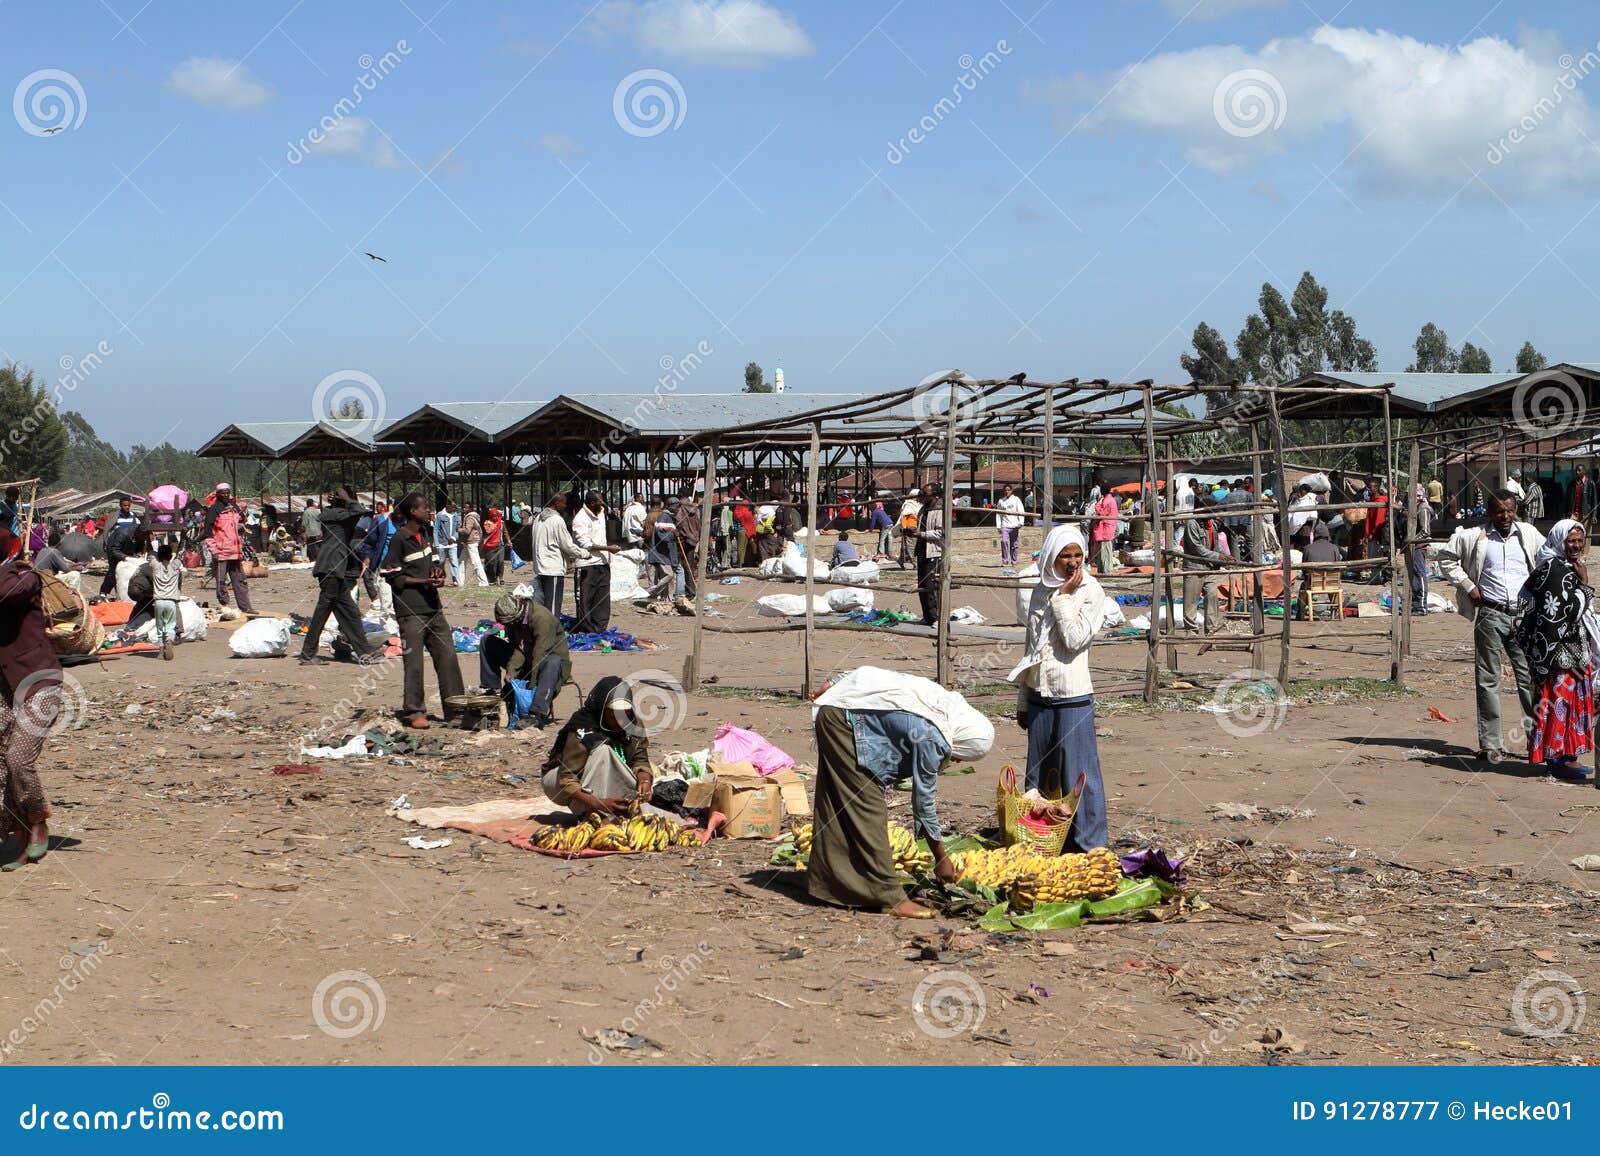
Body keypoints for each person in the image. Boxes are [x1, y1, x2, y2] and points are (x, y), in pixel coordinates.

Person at [807, 668, 992, 919]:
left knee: (838, 802)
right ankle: (890, 897)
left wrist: (832, 682)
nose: (957, 761)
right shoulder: (933, 736)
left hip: (838, 711)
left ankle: (831, 884)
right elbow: (923, 801)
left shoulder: (942, 702)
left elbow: (872, 673)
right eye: (960, 755)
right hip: (843, 721)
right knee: (868, 806)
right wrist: (940, 858)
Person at [1009, 525, 1109, 853]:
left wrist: (1065, 599)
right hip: (1039, 695)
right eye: (1064, 556)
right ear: (1051, 557)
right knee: (1040, 776)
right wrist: (1024, 698)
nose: (1072, 562)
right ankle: (1044, 841)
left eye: (1078, 555)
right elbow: (1032, 645)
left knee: (1079, 775)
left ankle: (1090, 845)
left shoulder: (1091, 592)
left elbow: (1076, 639)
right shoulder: (1039, 589)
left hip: (1072, 696)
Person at [1438, 490, 1543, 765]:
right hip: (1490, 614)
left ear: (1515, 510)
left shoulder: (1529, 534)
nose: (1505, 516)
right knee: (1488, 679)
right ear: (1490, 513)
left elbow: (1547, 559)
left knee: (1529, 680)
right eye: (1499, 511)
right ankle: (1491, 745)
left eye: (1509, 510)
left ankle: (1538, 742)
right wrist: (1470, 587)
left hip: (1524, 617)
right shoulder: (1474, 537)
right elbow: (1446, 557)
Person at [1516, 519, 1595, 780]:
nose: (1575, 546)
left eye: (1579, 541)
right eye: (1570, 540)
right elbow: (1566, 612)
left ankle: (1568, 756)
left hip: (1571, 651)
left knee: (1571, 704)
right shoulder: (1553, 569)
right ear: (1559, 540)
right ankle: (1557, 758)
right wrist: (1585, 585)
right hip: (1559, 655)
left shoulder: (1564, 566)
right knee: (1558, 702)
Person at [381, 492, 464, 729]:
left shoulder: (427, 535)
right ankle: (414, 711)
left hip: (433, 608)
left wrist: (438, 573)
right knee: (414, 662)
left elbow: (435, 562)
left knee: (448, 656)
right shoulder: (399, 538)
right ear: (413, 512)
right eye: (425, 507)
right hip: (411, 610)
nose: (429, 511)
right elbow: (391, 575)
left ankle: (455, 708)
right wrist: (423, 582)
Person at [0, 556, 62, 870]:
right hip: (5, 688)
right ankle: (17, 835)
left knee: (18, 759)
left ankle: (37, 820)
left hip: (40, 682)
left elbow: (8, 594)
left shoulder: (23, 576)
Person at [541, 676, 652, 817]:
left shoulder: (633, 724)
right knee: (603, 751)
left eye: (625, 716)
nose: (620, 723)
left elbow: (640, 758)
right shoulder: (582, 730)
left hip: (605, 779)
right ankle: (594, 813)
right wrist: (598, 803)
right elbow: (567, 780)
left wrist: (645, 779)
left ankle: (614, 809)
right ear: (602, 711)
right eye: (613, 717)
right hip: (560, 783)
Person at [300, 486, 382, 667]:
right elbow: (359, 511)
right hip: (331, 568)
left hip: (331, 568)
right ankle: (307, 654)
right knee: (323, 612)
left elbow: (359, 512)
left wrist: (344, 498)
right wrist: (346, 497)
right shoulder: (339, 515)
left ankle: (364, 651)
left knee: (350, 613)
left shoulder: (331, 514)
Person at [481, 592, 569, 729]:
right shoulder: (513, 622)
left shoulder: (542, 619)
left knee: (552, 662)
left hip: (547, 665)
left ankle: (536, 714)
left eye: (510, 623)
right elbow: (518, 648)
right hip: (527, 660)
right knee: (488, 641)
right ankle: (492, 690)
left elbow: (540, 654)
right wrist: (511, 670)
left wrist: (531, 685)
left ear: (519, 615)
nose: (508, 626)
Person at [572, 490, 621, 633]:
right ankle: (587, 630)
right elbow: (586, 544)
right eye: (600, 501)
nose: (602, 503)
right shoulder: (580, 519)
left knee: (602, 599)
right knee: (585, 600)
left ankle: (600, 629)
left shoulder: (600, 512)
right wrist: (608, 548)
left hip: (603, 563)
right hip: (587, 565)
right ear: (592, 503)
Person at [202, 484, 255, 614]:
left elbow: (242, 520)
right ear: (218, 494)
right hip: (221, 552)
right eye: (223, 493)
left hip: (236, 551)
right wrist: (213, 550)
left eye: (227, 492)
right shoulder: (214, 510)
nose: (226, 495)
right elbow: (208, 532)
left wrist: (240, 527)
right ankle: (225, 605)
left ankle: (246, 607)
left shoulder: (234, 508)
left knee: (240, 581)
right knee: (221, 582)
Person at [1181, 500, 1232, 633]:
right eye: (1209, 510)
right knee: (1191, 601)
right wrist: (1218, 557)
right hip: (1194, 567)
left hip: (1210, 568)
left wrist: (1225, 555)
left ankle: (1211, 628)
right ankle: (1191, 630)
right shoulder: (1192, 524)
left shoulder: (1211, 524)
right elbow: (1197, 548)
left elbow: (1215, 545)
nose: (1212, 513)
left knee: (1212, 595)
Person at [356, 501, 398, 621]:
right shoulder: (381, 521)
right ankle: (390, 633)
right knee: (387, 602)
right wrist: (368, 557)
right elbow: (370, 542)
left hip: (404, 569)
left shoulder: (410, 522)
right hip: (384, 567)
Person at [909, 482, 944, 626]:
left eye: (926, 494)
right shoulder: (923, 509)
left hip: (934, 552)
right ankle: (927, 616)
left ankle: (935, 617)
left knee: (932, 587)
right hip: (922, 550)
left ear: (935, 495)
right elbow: (919, 526)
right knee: (922, 586)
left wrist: (922, 534)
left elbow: (941, 532)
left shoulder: (940, 510)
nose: (923, 497)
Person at [99, 496, 143, 596]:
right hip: (116, 543)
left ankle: (124, 592)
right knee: (113, 570)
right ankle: (103, 592)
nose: (127, 507)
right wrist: (106, 543)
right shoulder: (115, 516)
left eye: (128, 505)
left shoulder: (133, 516)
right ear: (120, 505)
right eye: (124, 505)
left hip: (128, 545)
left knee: (127, 568)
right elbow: (107, 530)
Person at [149, 541, 184, 661]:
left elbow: (151, 553)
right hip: (171, 601)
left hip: (159, 601)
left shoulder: (155, 566)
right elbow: (180, 553)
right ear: (170, 556)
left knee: (159, 626)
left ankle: (160, 650)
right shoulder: (175, 566)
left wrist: (150, 538)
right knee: (170, 625)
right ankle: (169, 639)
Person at [672, 486, 702, 597]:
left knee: (679, 566)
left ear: (680, 495)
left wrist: (678, 531)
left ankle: (683, 590)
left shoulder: (678, 508)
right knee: (689, 565)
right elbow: (699, 525)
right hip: (693, 539)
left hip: (682, 539)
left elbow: (678, 522)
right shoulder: (696, 509)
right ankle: (690, 590)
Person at [996, 483, 1025, 569]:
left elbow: (1021, 510)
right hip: (1005, 525)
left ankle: (1014, 561)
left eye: (1008, 490)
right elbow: (998, 514)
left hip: (1014, 525)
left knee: (1014, 544)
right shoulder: (1001, 501)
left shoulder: (1016, 499)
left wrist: (1021, 522)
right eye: (1005, 490)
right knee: (1004, 541)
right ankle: (1005, 559)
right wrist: (998, 526)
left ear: (1011, 491)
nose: (1007, 491)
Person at [1091, 486, 1119, 574]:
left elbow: (1102, 513)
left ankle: (1106, 571)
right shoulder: (1110, 499)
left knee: (1105, 552)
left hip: (1105, 530)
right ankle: (1103, 570)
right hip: (1107, 529)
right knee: (1103, 551)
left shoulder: (1107, 500)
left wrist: (1097, 504)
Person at [434, 498, 461, 586]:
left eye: (455, 507)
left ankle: (455, 580)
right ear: (447, 505)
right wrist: (436, 543)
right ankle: (439, 579)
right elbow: (436, 529)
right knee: (441, 562)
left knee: (454, 561)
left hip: (452, 544)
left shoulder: (456, 515)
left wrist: (453, 537)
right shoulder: (440, 515)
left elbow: (458, 529)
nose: (454, 509)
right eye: (452, 507)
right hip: (442, 543)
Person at [459, 503, 487, 586]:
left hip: (471, 542)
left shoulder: (470, 518)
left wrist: (458, 529)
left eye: (465, 508)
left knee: (476, 562)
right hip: (468, 542)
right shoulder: (474, 517)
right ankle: (460, 582)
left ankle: (483, 582)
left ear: (470, 509)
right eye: (463, 507)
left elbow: (467, 531)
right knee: (461, 562)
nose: (464, 509)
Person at [897, 488, 922, 570]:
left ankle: (901, 560)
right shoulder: (908, 505)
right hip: (910, 529)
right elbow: (903, 517)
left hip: (916, 528)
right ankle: (915, 563)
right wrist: (905, 528)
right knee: (911, 547)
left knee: (906, 547)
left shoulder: (917, 504)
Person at [482, 505, 506, 585]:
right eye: (493, 516)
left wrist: (509, 542)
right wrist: (491, 527)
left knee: (501, 561)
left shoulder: (501, 523)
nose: (495, 518)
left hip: (500, 545)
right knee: (493, 563)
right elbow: (486, 533)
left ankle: (501, 578)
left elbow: (505, 532)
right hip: (491, 546)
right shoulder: (488, 523)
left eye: (496, 516)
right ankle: (494, 579)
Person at [1575, 466, 1597, 536]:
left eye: (1579, 470)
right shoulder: (1573, 483)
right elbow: (1569, 500)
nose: (1577, 472)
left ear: (1584, 471)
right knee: (1575, 535)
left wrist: (1594, 515)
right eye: (1576, 470)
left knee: (1586, 535)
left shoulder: (1590, 483)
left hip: (1586, 514)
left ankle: (1586, 547)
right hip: (1575, 514)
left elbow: (1594, 500)